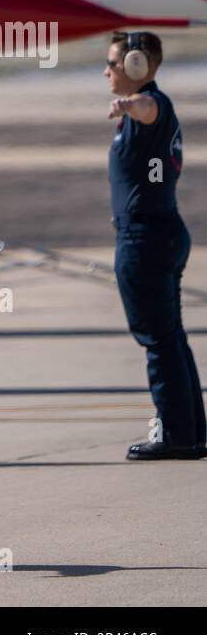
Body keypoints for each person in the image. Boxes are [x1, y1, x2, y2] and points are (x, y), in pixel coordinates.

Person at [105, 31, 205, 459]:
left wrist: (131, 104)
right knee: (170, 337)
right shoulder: (151, 110)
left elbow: (149, 109)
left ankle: (176, 435)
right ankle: (192, 433)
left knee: (158, 341)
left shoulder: (152, 106)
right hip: (162, 232)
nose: (106, 71)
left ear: (136, 67)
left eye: (113, 63)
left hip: (145, 238)